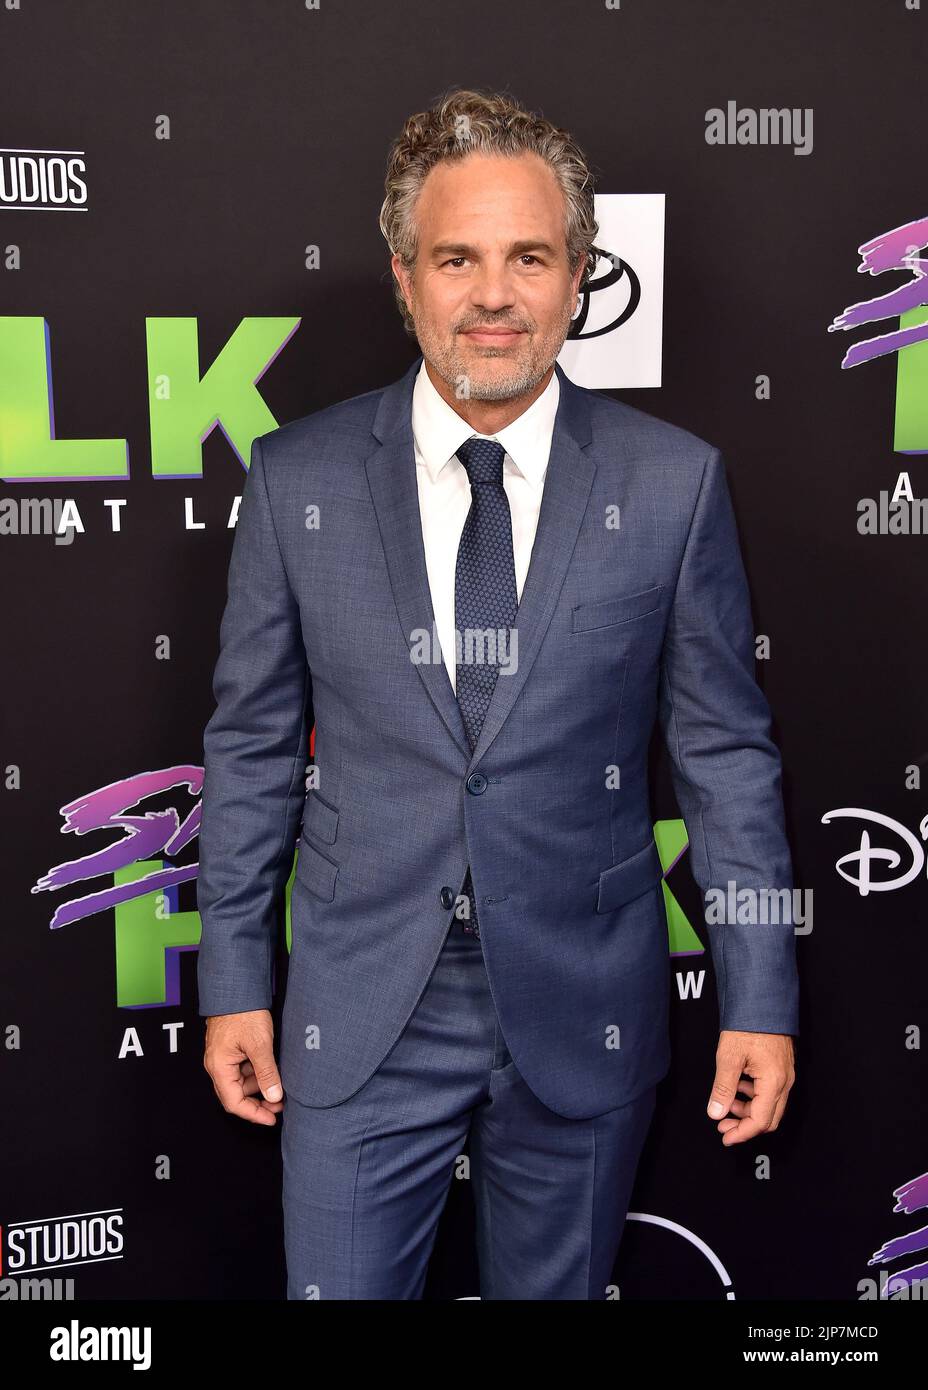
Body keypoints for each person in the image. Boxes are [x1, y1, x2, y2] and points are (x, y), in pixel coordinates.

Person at [197, 86, 798, 1300]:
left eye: (529, 256)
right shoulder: (295, 478)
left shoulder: (672, 486)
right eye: (455, 258)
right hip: (359, 1016)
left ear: (577, 275)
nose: (491, 296)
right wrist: (231, 983)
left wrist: (760, 994)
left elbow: (727, 755)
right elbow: (253, 752)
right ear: (404, 275)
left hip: (585, 1010)